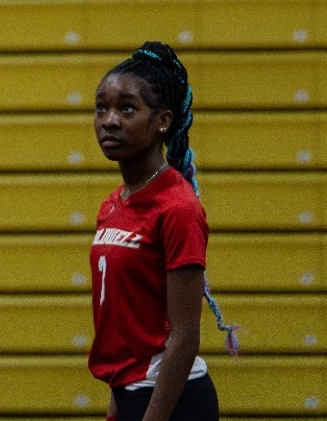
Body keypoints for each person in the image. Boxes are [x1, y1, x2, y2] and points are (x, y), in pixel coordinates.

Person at [90, 41, 239, 421]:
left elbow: (185, 338)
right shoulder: (113, 204)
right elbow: (126, 326)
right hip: (131, 394)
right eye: (101, 107)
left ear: (162, 121)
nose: (109, 120)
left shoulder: (177, 207)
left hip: (173, 401)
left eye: (127, 108)